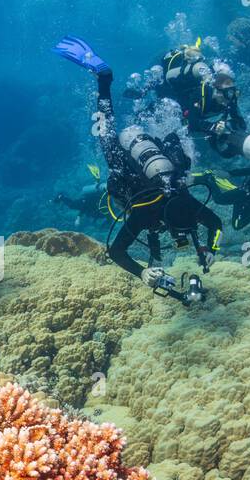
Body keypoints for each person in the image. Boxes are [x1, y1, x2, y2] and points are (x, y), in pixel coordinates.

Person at [52, 35, 222, 304]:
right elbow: (116, 251)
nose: (179, 236)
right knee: (107, 136)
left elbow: (215, 224)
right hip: (132, 171)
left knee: (112, 132)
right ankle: (104, 82)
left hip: (154, 164)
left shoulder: (180, 202)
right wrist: (142, 273)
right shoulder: (149, 211)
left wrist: (208, 248)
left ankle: (106, 81)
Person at [127, 39, 248, 158]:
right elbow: (192, 123)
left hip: (186, 100)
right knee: (159, 107)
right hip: (173, 94)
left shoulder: (229, 99)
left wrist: (229, 127)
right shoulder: (201, 94)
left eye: (234, 92)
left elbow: (240, 123)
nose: (231, 97)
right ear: (217, 91)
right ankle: (137, 108)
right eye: (227, 93)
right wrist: (212, 127)